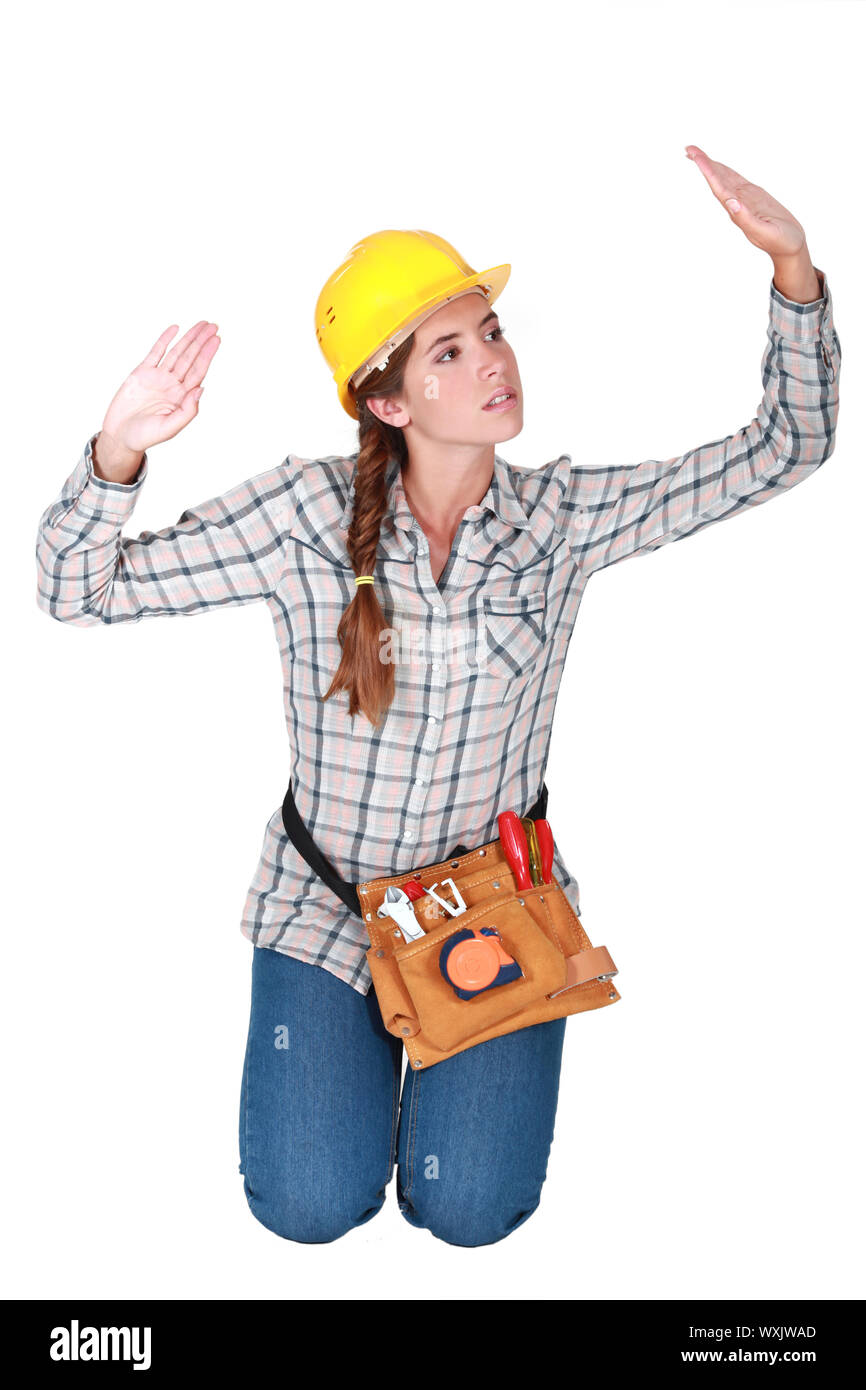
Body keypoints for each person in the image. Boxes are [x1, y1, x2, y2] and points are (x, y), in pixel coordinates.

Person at [35, 147, 841, 1247]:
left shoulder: (560, 520)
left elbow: (786, 446)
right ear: (384, 398)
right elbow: (78, 591)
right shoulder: (301, 517)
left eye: (492, 334)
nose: (492, 364)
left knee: (472, 1210)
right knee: (307, 1205)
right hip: (326, 915)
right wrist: (119, 447)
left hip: (494, 908)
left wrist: (790, 266)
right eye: (449, 351)